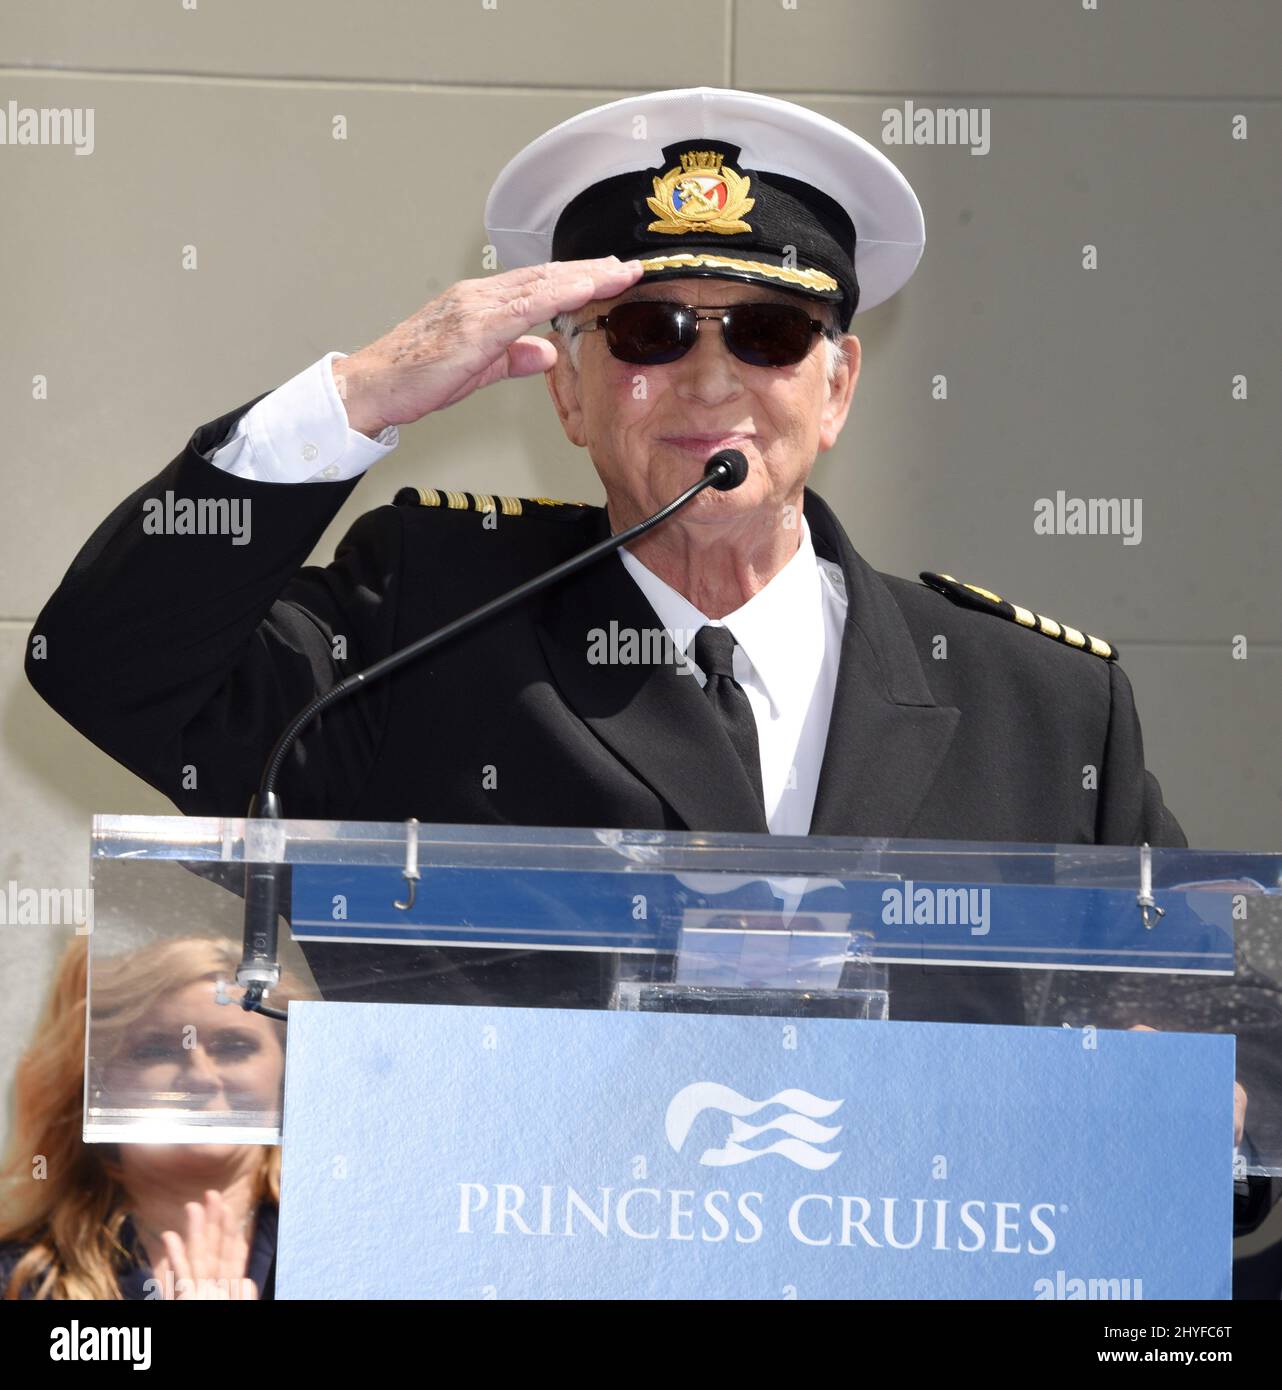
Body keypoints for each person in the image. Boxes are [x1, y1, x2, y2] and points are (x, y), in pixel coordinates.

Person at [0, 936, 293, 1299]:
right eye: (155, 1050)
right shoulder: (18, 1281)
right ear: (97, 1083)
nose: (200, 1076)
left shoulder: (348, 1247)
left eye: (234, 1046)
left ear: (286, 1071)